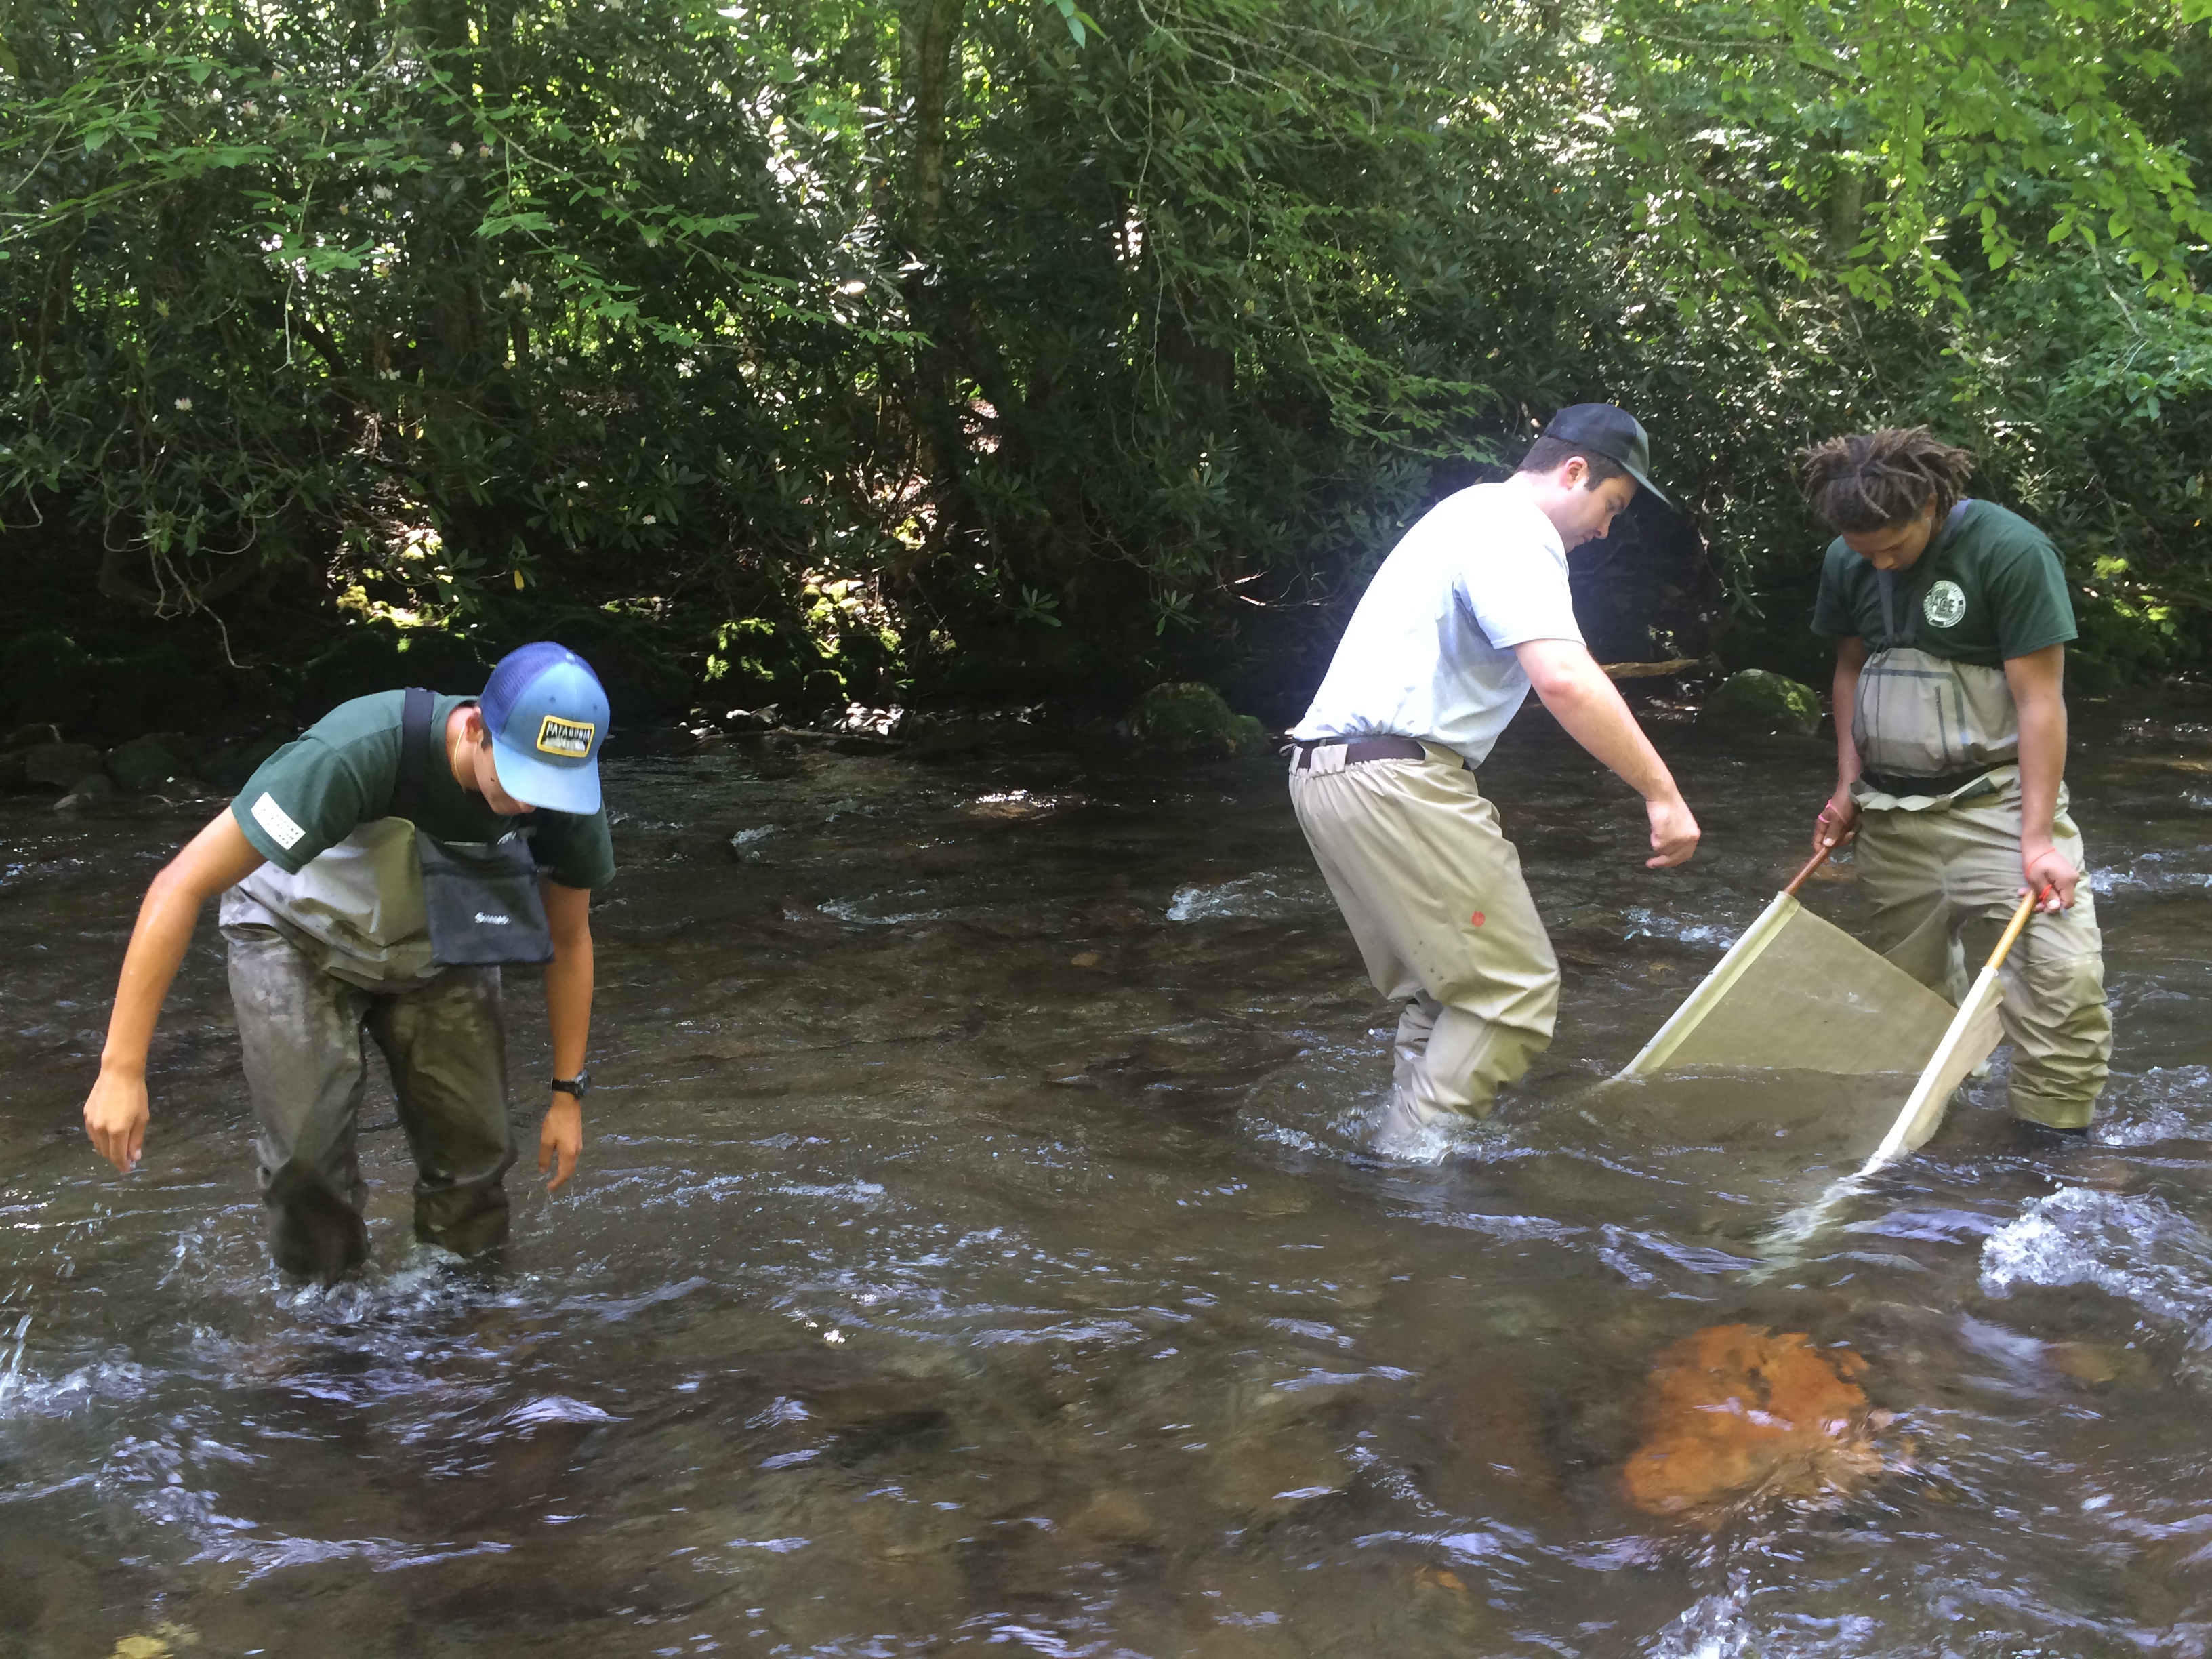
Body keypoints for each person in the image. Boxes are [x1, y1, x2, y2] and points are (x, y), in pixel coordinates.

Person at [81, 642, 616, 1277]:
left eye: (551, 787)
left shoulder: (563, 795)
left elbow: (572, 940)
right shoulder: (357, 751)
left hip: (438, 945)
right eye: (522, 779)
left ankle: (469, 1317)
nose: (533, 804)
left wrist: (567, 1094)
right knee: (305, 1164)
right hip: (296, 936)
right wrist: (122, 1068)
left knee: (478, 1154)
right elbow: (180, 884)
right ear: (476, 728)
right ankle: (324, 1322)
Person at [1288, 403, 1702, 1153]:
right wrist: (1662, 793)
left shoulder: (1465, 516)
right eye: (1611, 507)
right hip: (1397, 782)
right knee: (1511, 997)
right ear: (1574, 471)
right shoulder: (1516, 530)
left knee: (1441, 997)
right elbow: (1566, 680)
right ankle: (1414, 1178)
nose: (1605, 531)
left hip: (1327, 775)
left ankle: (1403, 1168)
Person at [1804, 427, 2110, 1132]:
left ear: (1934, 504)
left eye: (1894, 547)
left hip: (1999, 807)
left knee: (2065, 981)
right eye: (1863, 551)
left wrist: (2038, 839)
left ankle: (2051, 1147)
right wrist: (1848, 787)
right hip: (1890, 813)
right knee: (1905, 1004)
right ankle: (1928, 1143)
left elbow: (2040, 702)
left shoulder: (2011, 552)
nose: (1879, 563)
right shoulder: (1846, 561)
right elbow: (1851, 671)